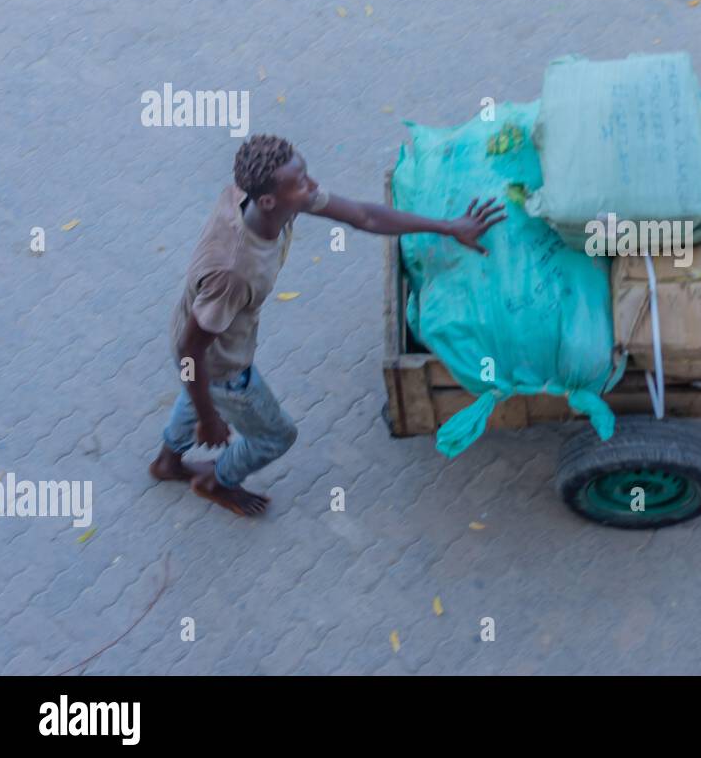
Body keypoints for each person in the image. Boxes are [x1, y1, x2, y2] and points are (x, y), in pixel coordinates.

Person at [149, 134, 506, 515]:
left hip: (199, 336)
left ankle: (168, 463)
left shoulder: (258, 199)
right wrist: (209, 420)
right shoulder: (235, 270)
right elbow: (192, 353)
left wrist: (449, 227)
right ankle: (218, 480)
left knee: (198, 388)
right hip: (219, 364)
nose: (314, 187)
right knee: (275, 436)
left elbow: (363, 216)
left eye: (306, 175)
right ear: (269, 200)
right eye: (301, 183)